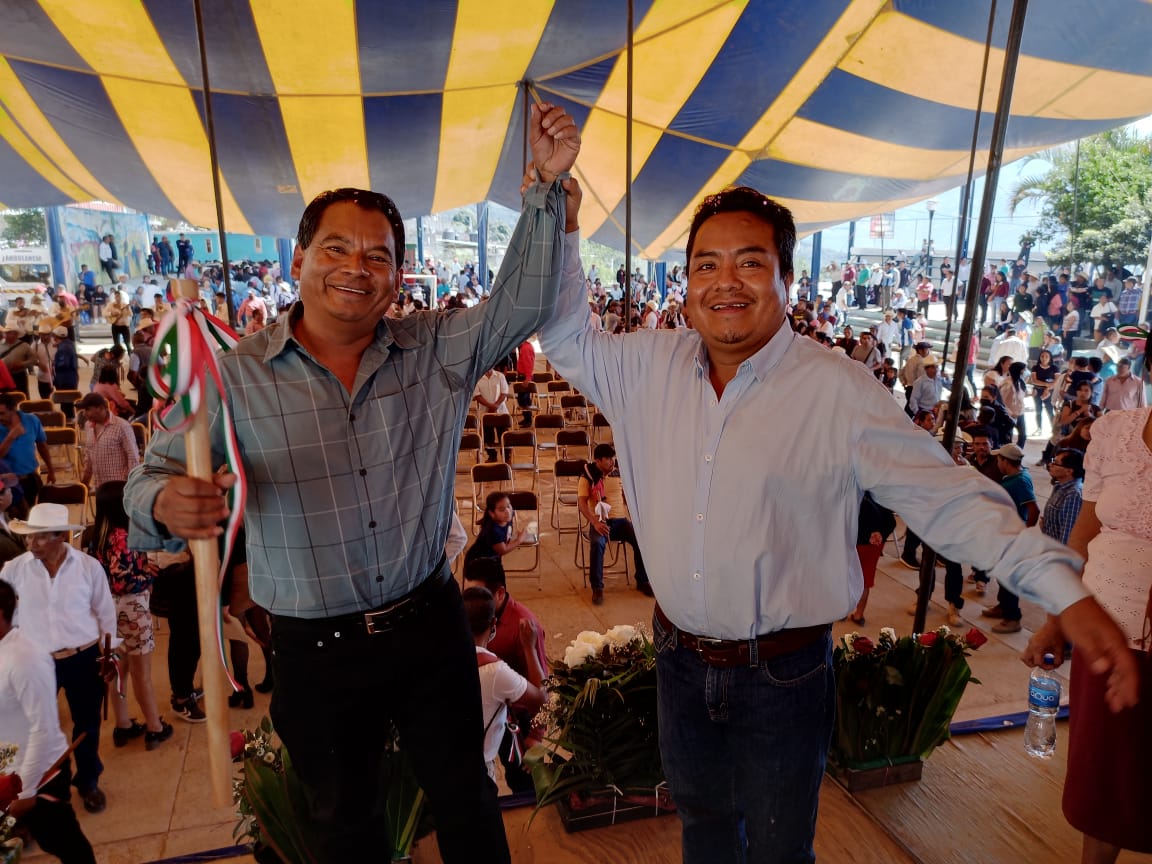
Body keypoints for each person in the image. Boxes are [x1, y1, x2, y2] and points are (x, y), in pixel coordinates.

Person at [538, 184, 1138, 863]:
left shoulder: (838, 390)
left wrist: (1064, 589)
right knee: (702, 826)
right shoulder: (646, 366)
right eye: (706, 264)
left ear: (787, 278)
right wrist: (565, 227)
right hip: (678, 659)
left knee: (777, 847)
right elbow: (562, 334)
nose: (724, 281)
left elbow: (945, 497)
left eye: (750, 262)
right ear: (686, 281)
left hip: (782, 676)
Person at [124, 101, 581, 863]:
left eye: (377, 255)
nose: (356, 268)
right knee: (344, 825)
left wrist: (542, 188)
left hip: (429, 621)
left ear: (396, 275)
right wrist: (166, 503)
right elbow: (149, 480)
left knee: (466, 801)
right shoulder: (233, 379)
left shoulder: (434, 349)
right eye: (336, 248)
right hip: (314, 645)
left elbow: (523, 302)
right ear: (298, 257)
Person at [1024, 388, 1152, 864]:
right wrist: (1055, 620)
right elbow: (1083, 535)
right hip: (1104, 637)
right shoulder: (1116, 434)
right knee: (1103, 782)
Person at [2, 503, 118, 814]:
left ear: (61, 536)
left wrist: (111, 656)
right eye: (29, 537)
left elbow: (106, 614)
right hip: (35, 662)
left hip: (83, 657)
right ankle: (32, 787)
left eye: (40, 537)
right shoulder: (14, 570)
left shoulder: (88, 567)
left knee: (87, 723)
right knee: (31, 727)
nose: (31, 543)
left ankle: (88, 780)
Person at [0, 578, 98, 863]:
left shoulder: (24, 659)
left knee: (65, 844)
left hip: (40, 774)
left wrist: (27, 789)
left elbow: (41, 730)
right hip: (10, 770)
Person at [84, 481, 172, 751]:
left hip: (106, 610)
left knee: (117, 669)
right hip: (131, 607)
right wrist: (149, 574)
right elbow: (123, 580)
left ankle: (122, 725)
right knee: (141, 672)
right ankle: (155, 727)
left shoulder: (95, 534)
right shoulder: (122, 534)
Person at [462, 555, 548, 793]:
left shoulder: (525, 625)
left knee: (521, 782)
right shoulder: (468, 620)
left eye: (479, 594)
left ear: (499, 593)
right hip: (487, 714)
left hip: (518, 719)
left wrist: (536, 736)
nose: (470, 602)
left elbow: (543, 691)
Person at [576, 442, 653, 605]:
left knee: (641, 539)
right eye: (608, 459)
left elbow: (627, 496)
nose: (612, 461)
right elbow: (582, 503)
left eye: (613, 458)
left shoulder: (619, 472)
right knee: (597, 544)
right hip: (601, 522)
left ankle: (642, 580)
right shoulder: (587, 475)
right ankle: (597, 587)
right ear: (598, 461)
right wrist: (595, 523)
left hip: (621, 521)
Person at [978, 443, 1039, 634]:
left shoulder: (1020, 481)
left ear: (1005, 461)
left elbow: (1034, 510)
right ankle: (1003, 606)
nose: (997, 462)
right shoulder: (1015, 476)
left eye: (999, 459)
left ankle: (1013, 618)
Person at [0, 392, 55, 507]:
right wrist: (11, 437)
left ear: (13, 409)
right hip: (7, 484)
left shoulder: (31, 420)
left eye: (2, 413)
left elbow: (42, 445)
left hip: (31, 477)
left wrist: (50, 469)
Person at [847, 493, 894, 626]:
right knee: (864, 580)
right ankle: (858, 615)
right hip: (871, 544)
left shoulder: (852, 494)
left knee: (849, 578)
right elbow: (891, 521)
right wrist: (881, 533)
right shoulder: (878, 495)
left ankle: (845, 611)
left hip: (860, 543)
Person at [77, 393, 139, 489]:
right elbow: (89, 456)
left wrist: (131, 485)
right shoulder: (88, 426)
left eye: (88, 409)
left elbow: (133, 457)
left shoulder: (122, 426)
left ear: (101, 408)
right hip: (99, 486)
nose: (84, 414)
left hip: (119, 486)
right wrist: (85, 481)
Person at [466, 491, 528, 563]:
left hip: (493, 559)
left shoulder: (508, 515)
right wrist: (519, 540)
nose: (507, 511)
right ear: (492, 513)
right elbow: (503, 550)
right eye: (502, 509)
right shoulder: (493, 530)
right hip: (478, 563)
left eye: (508, 506)